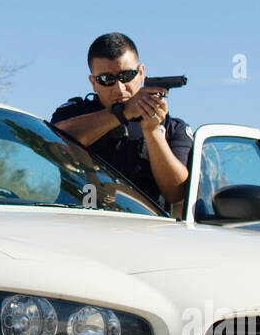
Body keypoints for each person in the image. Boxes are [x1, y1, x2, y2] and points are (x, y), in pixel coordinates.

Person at [50, 32, 192, 208]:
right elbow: (55, 139)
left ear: (141, 73)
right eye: (106, 79)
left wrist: (152, 131)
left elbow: (175, 193)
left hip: (144, 228)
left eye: (126, 76)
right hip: (77, 222)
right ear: (93, 82)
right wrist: (121, 113)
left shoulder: (172, 127)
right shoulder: (74, 112)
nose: (119, 87)